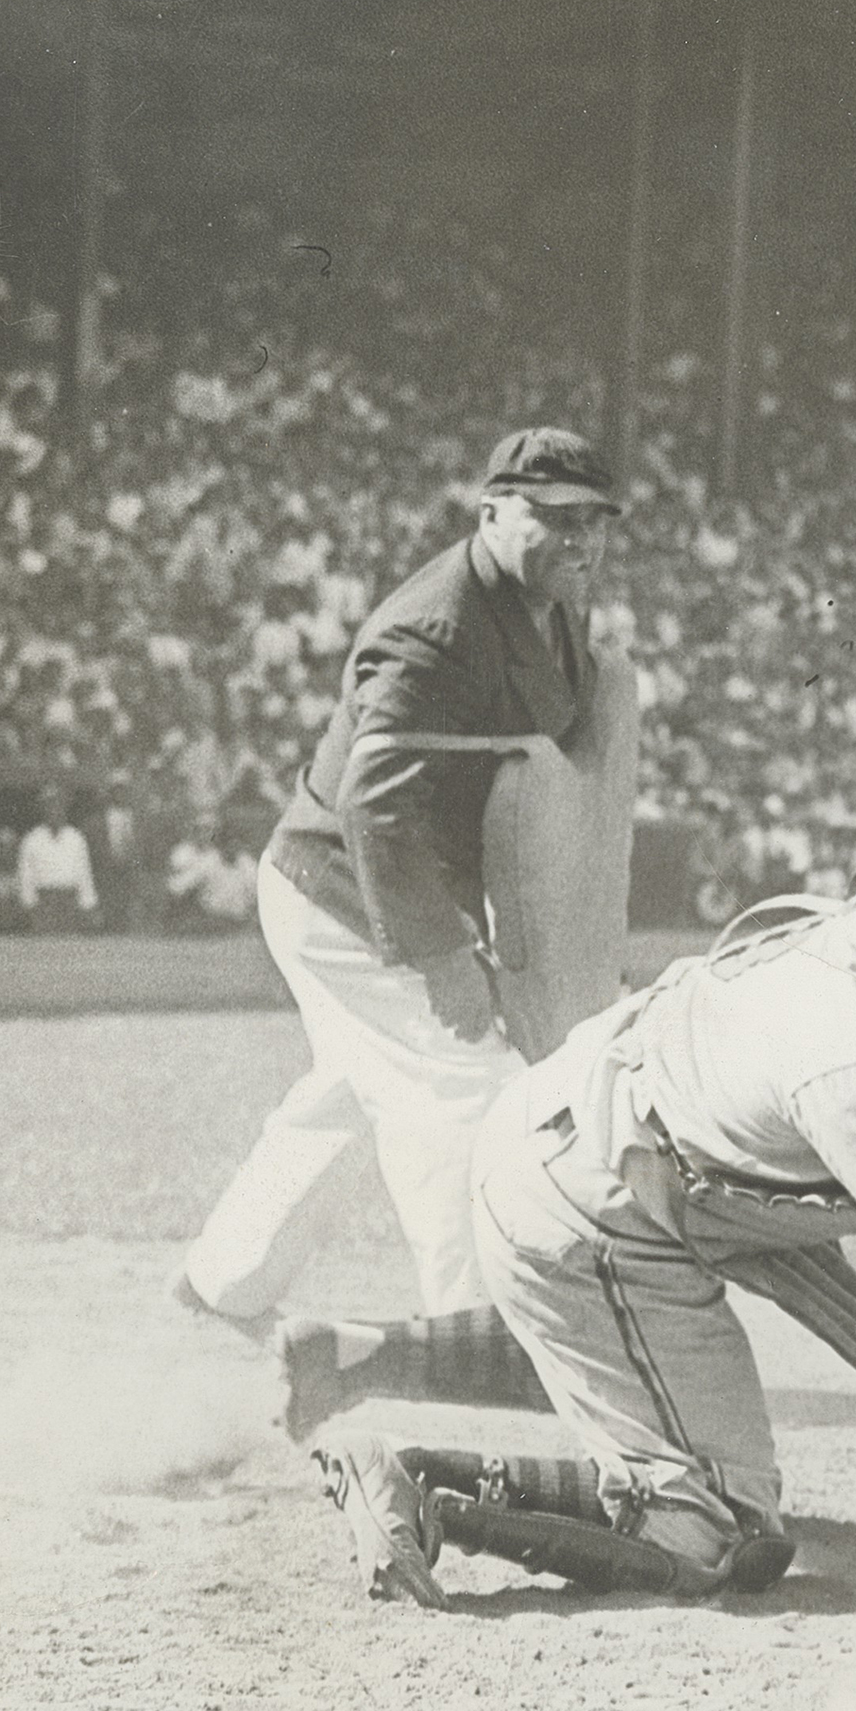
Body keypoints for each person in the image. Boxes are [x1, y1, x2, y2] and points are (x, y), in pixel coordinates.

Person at [305, 744, 856, 1609]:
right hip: (585, 1198)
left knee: (625, 1367)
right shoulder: (846, 1043)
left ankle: (362, 1353)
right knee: (715, 1533)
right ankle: (415, 1477)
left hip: (659, 1171)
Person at [174, 425, 625, 1336]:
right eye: (553, 517)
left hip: (379, 883)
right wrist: (445, 957)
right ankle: (478, 1328)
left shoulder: (549, 606)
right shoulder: (437, 628)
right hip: (345, 889)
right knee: (462, 1085)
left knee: (356, 1095)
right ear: (491, 511)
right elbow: (376, 811)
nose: (581, 540)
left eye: (596, 522)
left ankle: (224, 1282)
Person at [16, 787, 100, 933]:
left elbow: (84, 874)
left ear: (65, 808)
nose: (54, 810)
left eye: (58, 805)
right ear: (43, 809)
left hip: (69, 902)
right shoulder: (32, 839)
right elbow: (25, 876)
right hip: (44, 903)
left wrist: (88, 905)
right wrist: (29, 905)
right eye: (49, 805)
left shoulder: (76, 838)